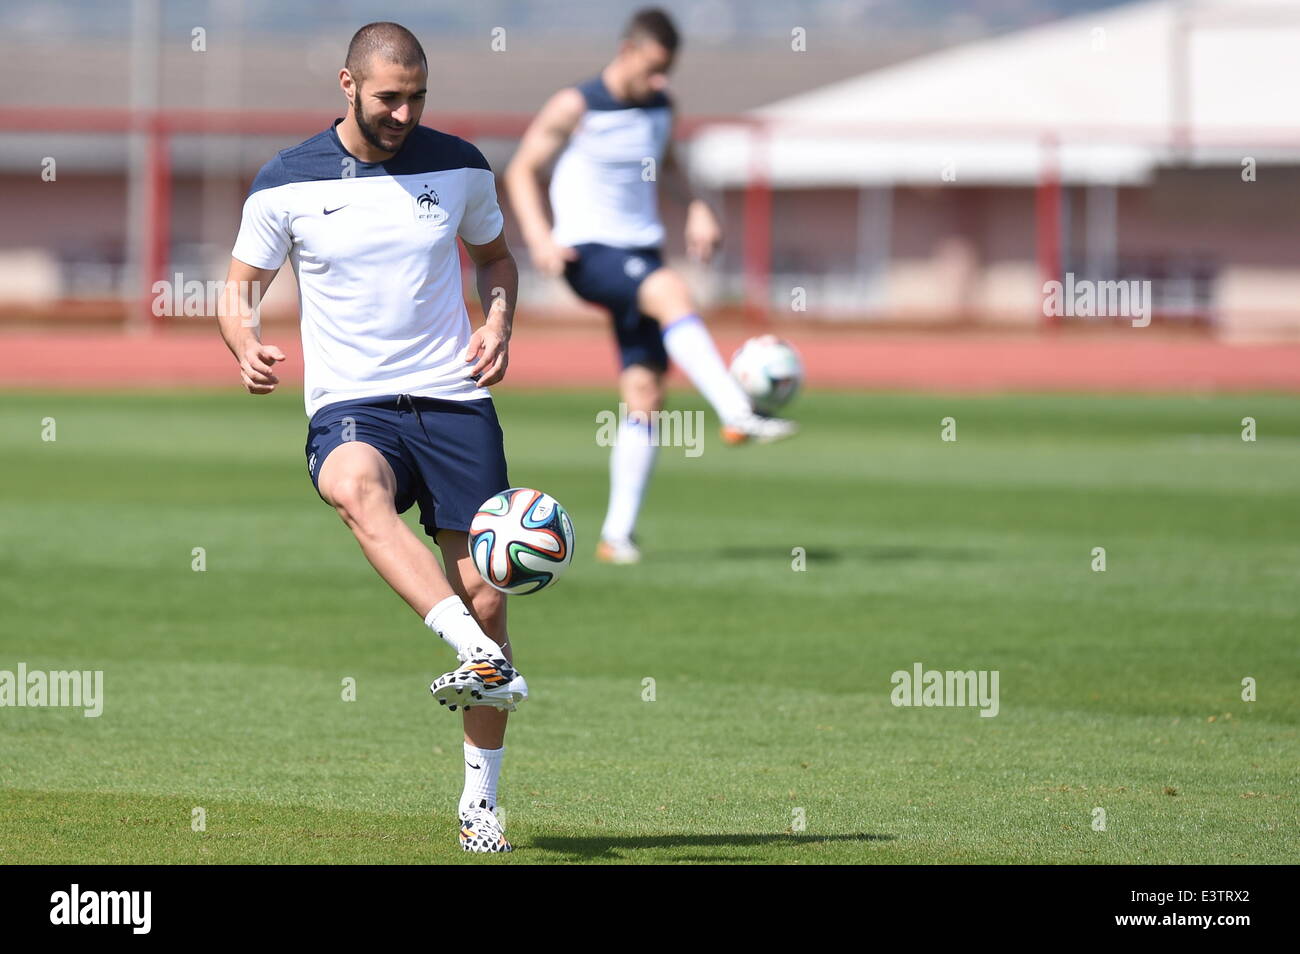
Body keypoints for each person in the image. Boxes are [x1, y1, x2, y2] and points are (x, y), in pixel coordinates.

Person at [216, 21, 522, 853]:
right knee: (353, 487)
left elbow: (495, 259)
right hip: (352, 401)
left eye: (418, 95)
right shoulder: (286, 180)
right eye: (390, 96)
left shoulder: (461, 164)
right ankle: (470, 651)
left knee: (488, 592)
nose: (405, 111)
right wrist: (245, 343)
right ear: (346, 86)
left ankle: (481, 798)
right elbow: (238, 287)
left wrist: (498, 319)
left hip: (455, 401)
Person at [505, 6, 796, 567]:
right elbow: (521, 169)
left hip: (641, 250)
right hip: (587, 253)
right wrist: (540, 238)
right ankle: (736, 410)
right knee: (672, 295)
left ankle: (618, 537)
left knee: (645, 396)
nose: (661, 80)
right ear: (627, 51)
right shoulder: (577, 105)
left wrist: (697, 210)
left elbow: (669, 166)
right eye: (655, 67)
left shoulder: (661, 106)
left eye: (669, 70)